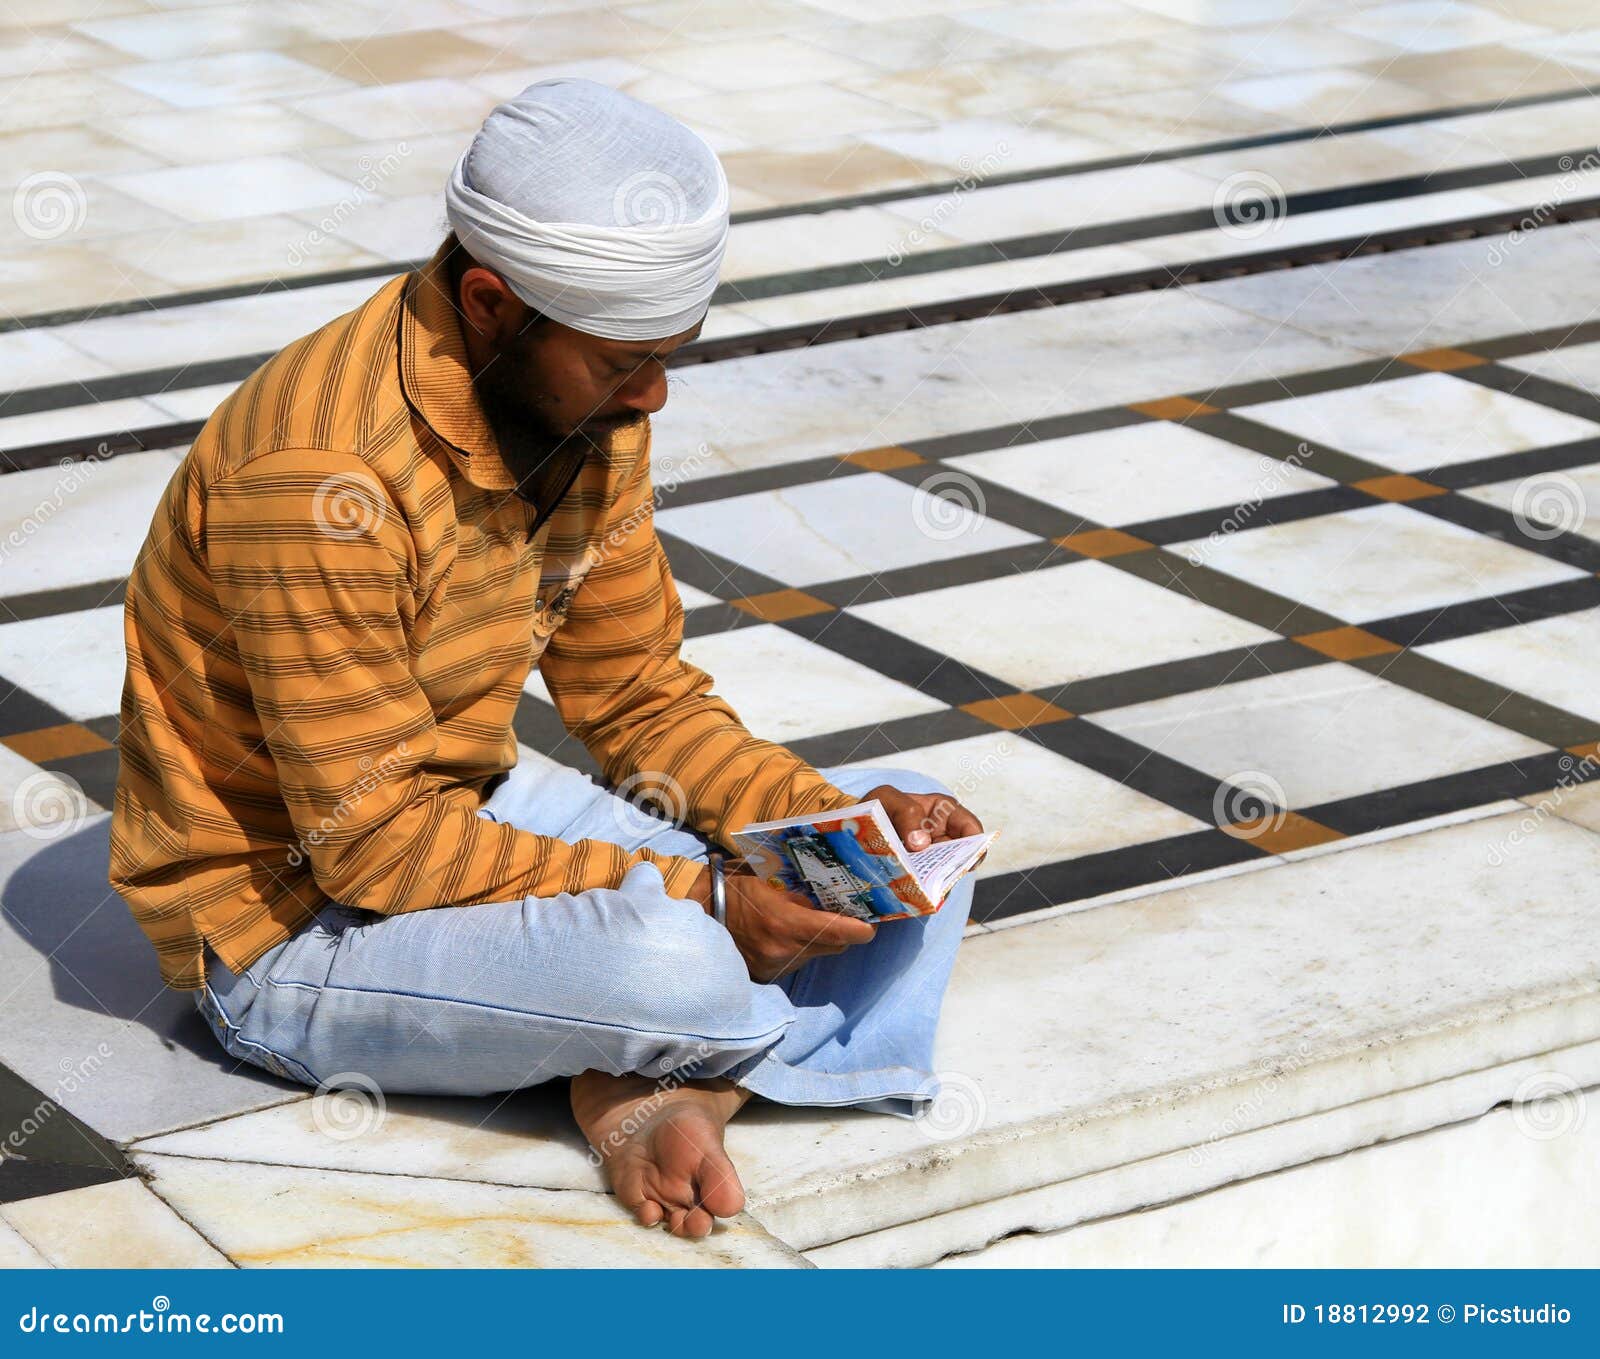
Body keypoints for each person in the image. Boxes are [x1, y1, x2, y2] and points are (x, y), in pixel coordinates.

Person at [110, 78, 982, 1241]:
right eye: (630, 361)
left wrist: (836, 828)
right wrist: (713, 902)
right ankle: (660, 1042)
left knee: (919, 880)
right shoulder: (319, 479)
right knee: (671, 962)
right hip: (294, 927)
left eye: (674, 354)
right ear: (489, 301)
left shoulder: (586, 401)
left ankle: (668, 1074)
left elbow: (636, 696)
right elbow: (369, 846)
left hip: (472, 807)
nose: (656, 393)